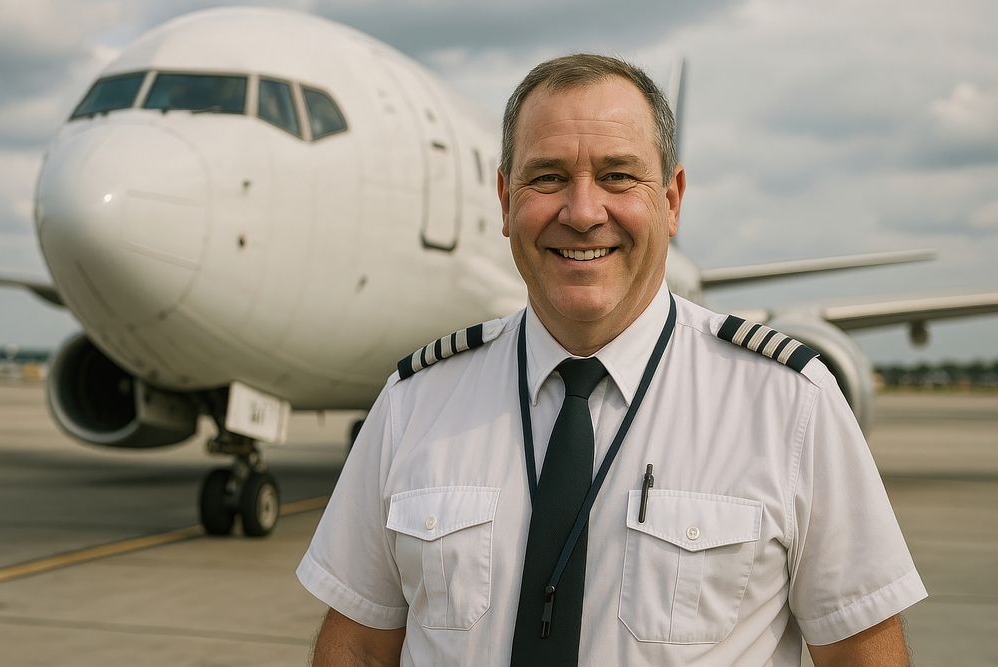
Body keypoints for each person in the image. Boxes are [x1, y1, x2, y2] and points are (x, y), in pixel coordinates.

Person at [297, 54, 926, 666]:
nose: (582, 212)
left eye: (618, 176)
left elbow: (858, 651)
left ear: (672, 201)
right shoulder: (415, 401)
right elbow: (357, 646)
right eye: (546, 178)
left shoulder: (789, 402)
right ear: (505, 200)